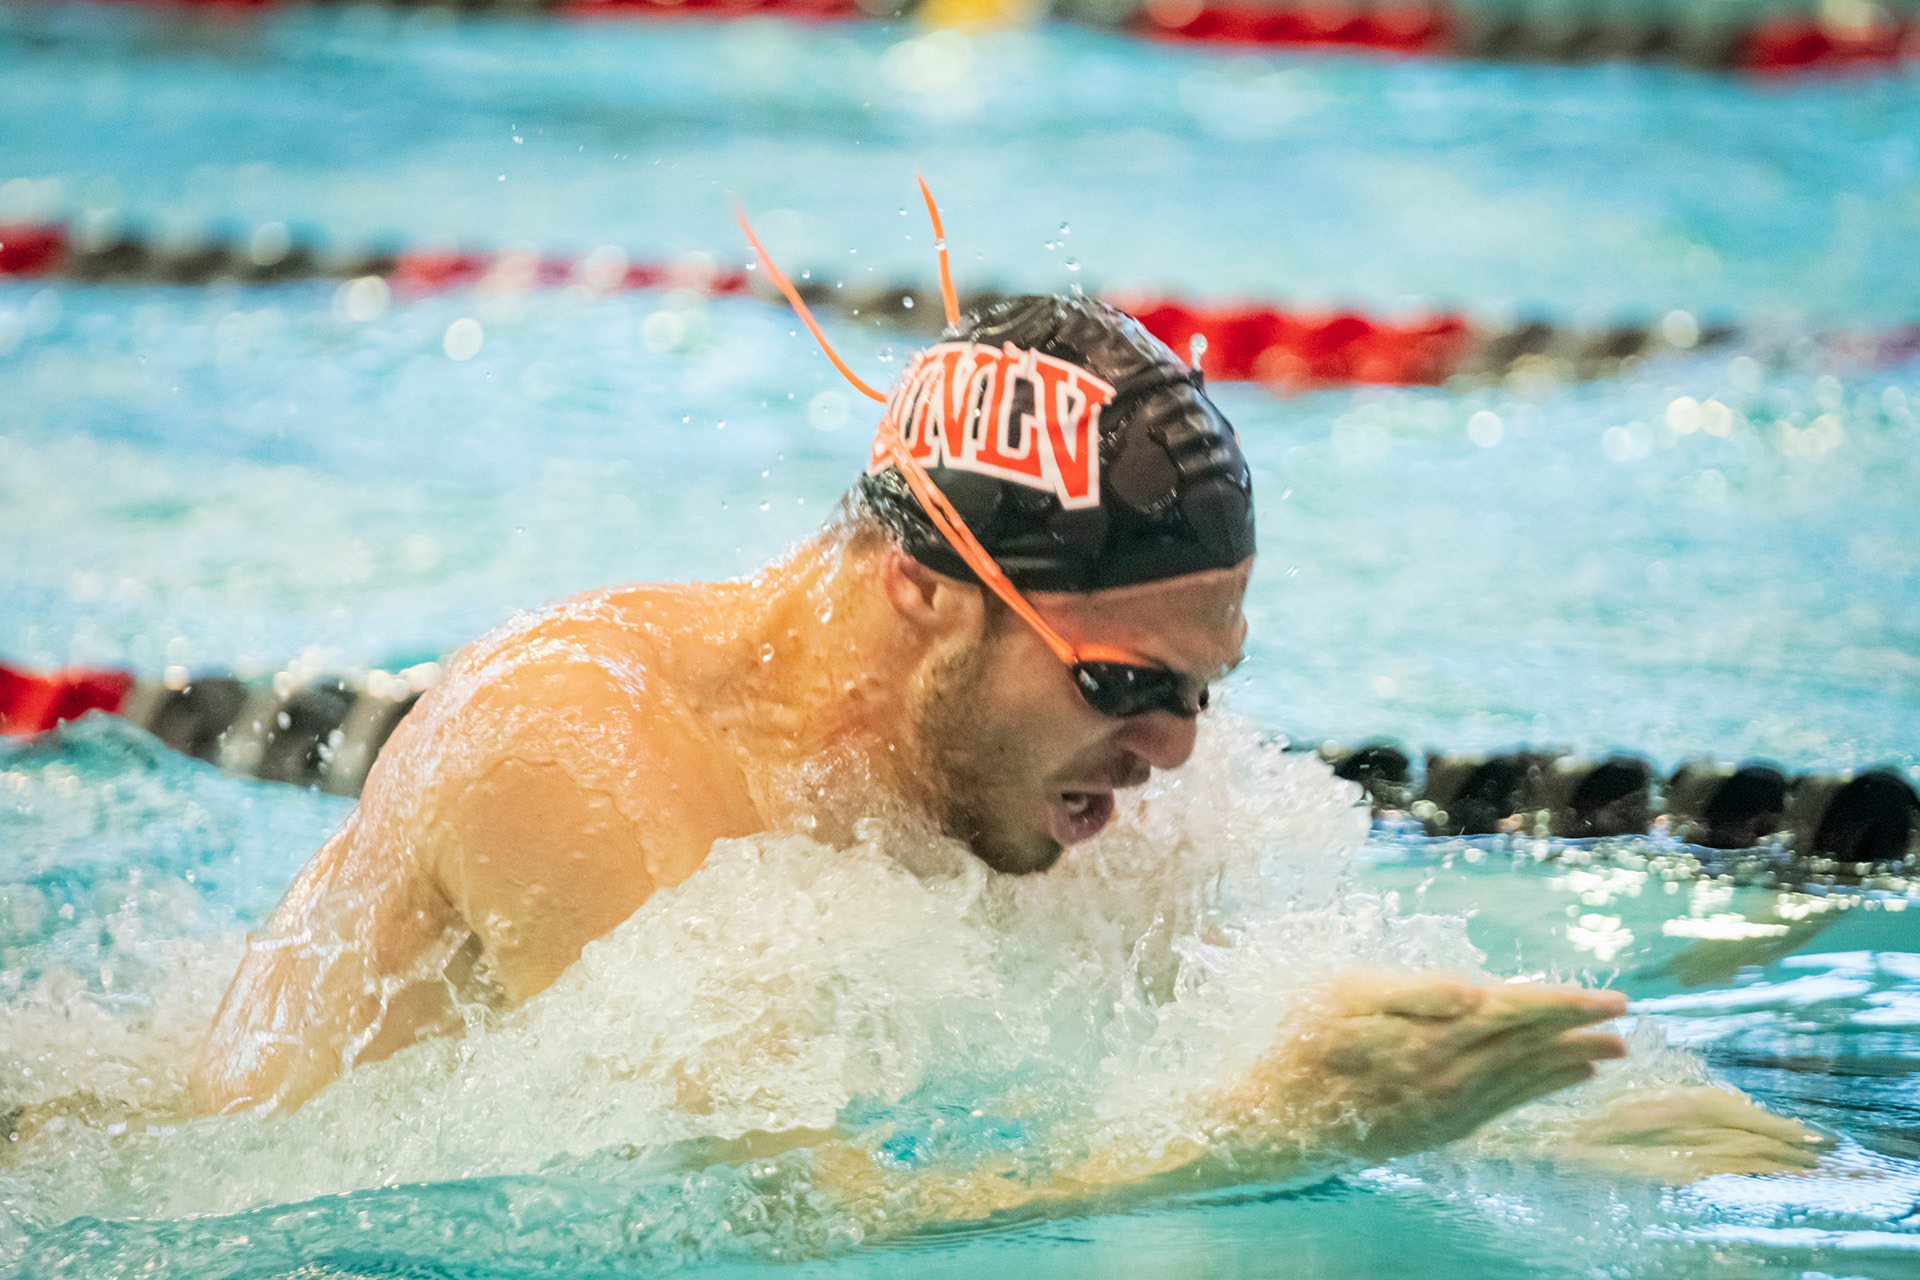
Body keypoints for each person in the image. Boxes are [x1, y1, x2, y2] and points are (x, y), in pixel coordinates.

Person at [191, 206, 1825, 1207]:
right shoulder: (580, 750)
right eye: (1123, 684)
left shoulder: (1047, 766)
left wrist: (1680, 1124)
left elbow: (1326, 1016)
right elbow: (759, 1231)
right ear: (926, 589)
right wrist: (1250, 1141)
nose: (1176, 748)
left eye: (1198, 690)